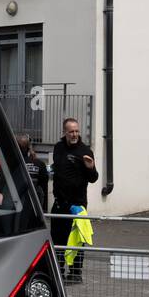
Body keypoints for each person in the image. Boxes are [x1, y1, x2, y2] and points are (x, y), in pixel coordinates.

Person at [50, 118, 98, 281]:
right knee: (58, 238)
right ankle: (59, 272)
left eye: (77, 131)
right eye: (71, 131)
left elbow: (93, 178)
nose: (74, 134)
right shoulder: (58, 147)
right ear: (65, 132)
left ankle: (75, 273)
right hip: (59, 203)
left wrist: (90, 168)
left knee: (76, 241)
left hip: (77, 205)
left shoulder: (85, 151)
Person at [16, 133, 49, 213]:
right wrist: (44, 208)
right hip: (35, 206)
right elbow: (44, 186)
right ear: (28, 148)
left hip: (16, 204)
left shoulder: (13, 164)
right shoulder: (39, 164)